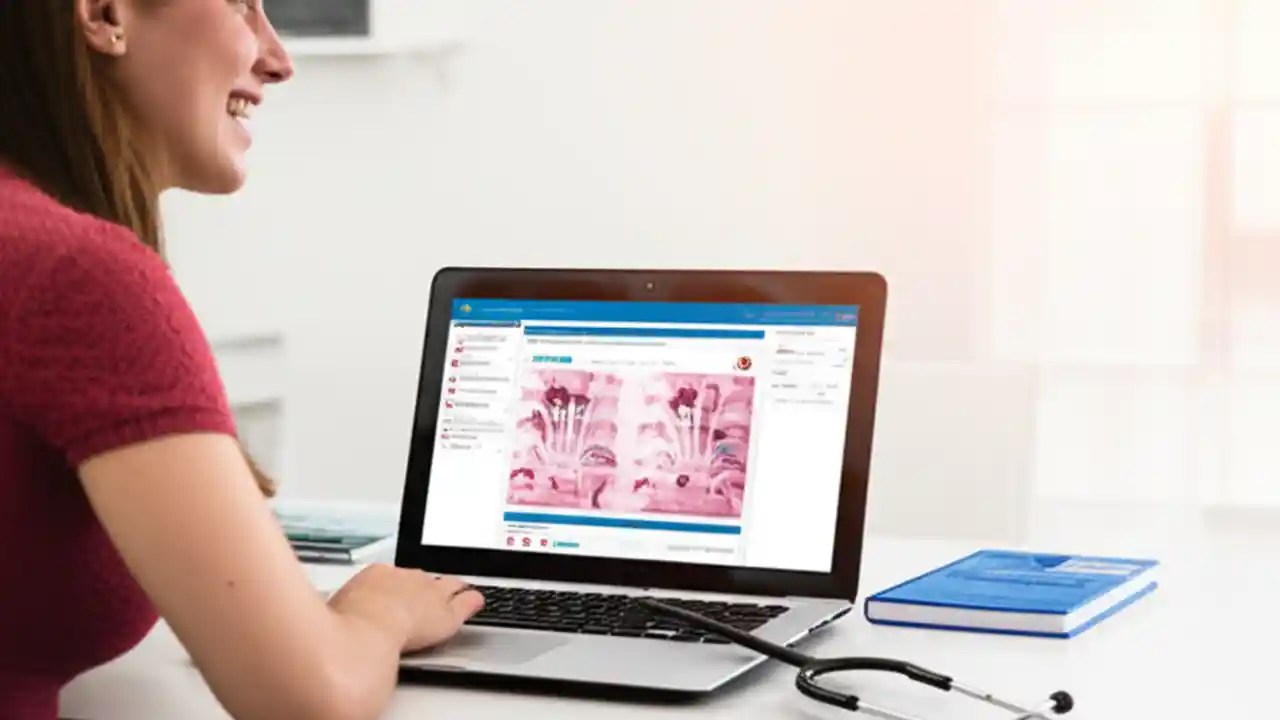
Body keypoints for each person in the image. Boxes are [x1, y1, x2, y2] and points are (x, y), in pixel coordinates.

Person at [0, 2, 483, 719]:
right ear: (105, 15)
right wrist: (383, 612)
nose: (278, 58)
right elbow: (308, 698)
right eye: (240, 6)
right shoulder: (76, 273)